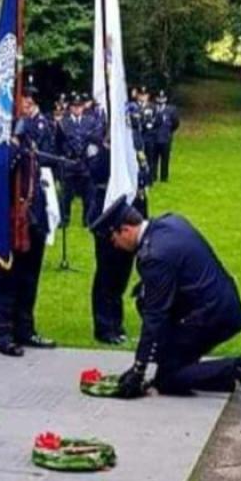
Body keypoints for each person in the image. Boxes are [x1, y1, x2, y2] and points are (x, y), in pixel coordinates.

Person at [90, 196, 241, 405]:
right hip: (219, 302)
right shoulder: (169, 222)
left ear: (125, 229)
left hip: (209, 315)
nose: (115, 246)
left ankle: (238, 366)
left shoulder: (154, 255)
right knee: (145, 303)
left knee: (168, 379)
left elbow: (155, 315)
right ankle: (222, 376)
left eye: (114, 239)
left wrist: (139, 368)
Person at [0, 83, 56, 357]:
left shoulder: (32, 131)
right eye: (23, 99)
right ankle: (2, 332)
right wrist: (15, 139)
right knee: (7, 276)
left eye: (30, 98)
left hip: (31, 214)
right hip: (9, 216)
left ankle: (24, 329)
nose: (28, 103)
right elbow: (0, 168)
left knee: (29, 277)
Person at [87, 145, 148, 345]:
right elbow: (96, 173)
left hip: (129, 215)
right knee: (107, 274)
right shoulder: (101, 144)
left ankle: (116, 322)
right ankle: (104, 326)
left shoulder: (132, 142)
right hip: (108, 217)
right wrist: (108, 149)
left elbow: (143, 176)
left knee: (122, 274)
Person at [55, 92, 101, 227]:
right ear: (70, 108)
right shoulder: (63, 122)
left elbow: (96, 140)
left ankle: (87, 220)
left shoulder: (90, 121)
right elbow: (58, 143)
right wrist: (62, 160)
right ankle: (64, 219)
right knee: (66, 195)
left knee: (88, 194)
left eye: (79, 106)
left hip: (85, 163)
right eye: (74, 106)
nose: (77, 109)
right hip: (69, 163)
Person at [153, 90, 180, 182]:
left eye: (163, 98)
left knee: (165, 158)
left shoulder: (171, 110)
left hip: (166, 138)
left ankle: (164, 177)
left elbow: (176, 123)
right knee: (153, 159)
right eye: (159, 98)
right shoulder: (153, 108)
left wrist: (169, 132)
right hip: (154, 137)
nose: (161, 100)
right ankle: (153, 176)